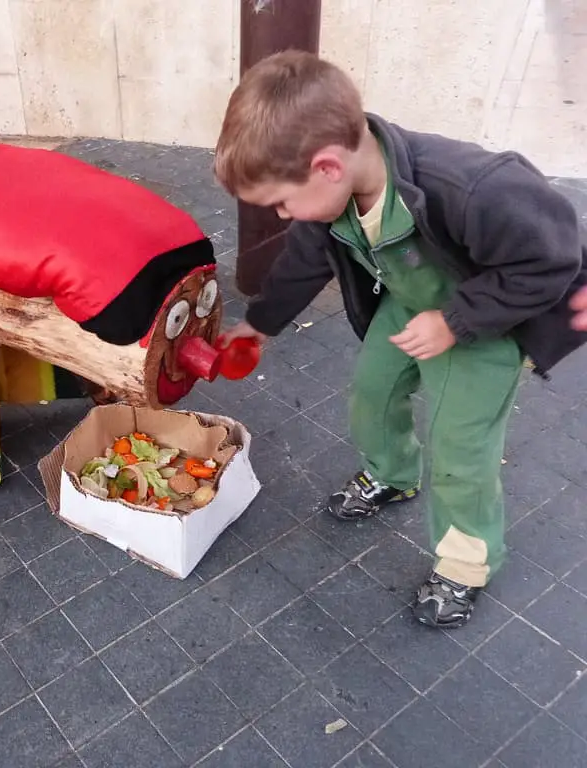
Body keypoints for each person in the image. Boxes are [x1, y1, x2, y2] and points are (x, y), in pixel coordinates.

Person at [215, 50, 587, 629]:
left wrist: (456, 321)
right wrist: (260, 323)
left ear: (327, 167)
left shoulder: (472, 187)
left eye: (282, 201)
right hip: (409, 306)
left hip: (481, 326)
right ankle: (392, 474)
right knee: (373, 393)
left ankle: (465, 563)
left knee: (461, 451)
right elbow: (306, 257)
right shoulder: (332, 197)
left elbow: (550, 260)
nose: (284, 214)